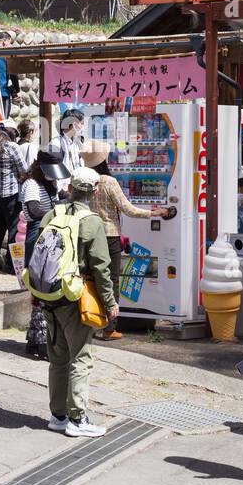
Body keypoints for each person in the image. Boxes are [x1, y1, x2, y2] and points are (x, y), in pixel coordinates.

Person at [38, 167, 117, 438]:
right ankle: (77, 418)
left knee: (57, 356)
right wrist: (110, 302)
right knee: (80, 356)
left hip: (49, 294)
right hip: (75, 294)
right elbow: (101, 267)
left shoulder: (52, 214)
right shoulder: (92, 222)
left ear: (70, 188)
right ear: (94, 192)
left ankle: (57, 415)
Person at [81, 138, 171, 341]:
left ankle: (91, 321)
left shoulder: (85, 179)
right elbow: (128, 209)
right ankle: (110, 328)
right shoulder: (108, 182)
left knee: (92, 279)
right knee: (112, 281)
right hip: (110, 236)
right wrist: (154, 213)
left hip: (89, 235)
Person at [21, 148, 69, 360]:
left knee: (44, 289)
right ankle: (43, 342)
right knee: (42, 289)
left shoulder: (51, 184)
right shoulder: (31, 184)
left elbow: (62, 197)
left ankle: (35, 339)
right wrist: (59, 208)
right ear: (40, 168)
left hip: (50, 236)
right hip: (36, 236)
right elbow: (32, 211)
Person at [0, 120, 29, 273]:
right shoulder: (12, 147)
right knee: (13, 229)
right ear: (11, 132)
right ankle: (11, 263)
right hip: (10, 194)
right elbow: (24, 170)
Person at [51, 108, 85, 176]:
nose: (83, 127)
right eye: (82, 123)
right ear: (74, 124)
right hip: (63, 184)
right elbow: (53, 169)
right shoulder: (56, 143)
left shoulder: (78, 142)